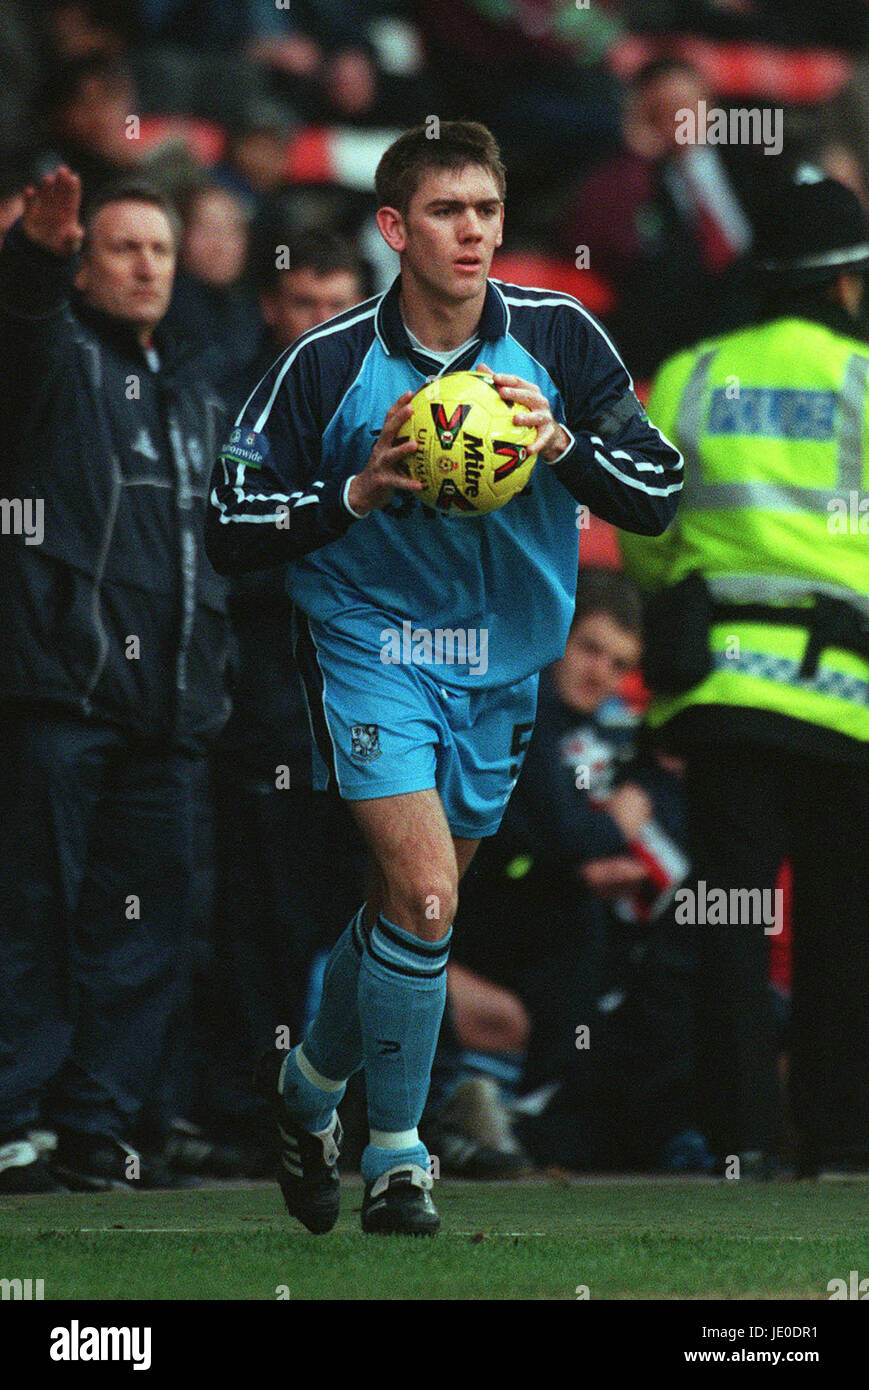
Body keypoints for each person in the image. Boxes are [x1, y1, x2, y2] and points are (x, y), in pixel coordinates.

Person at [206, 120, 683, 1235]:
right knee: (426, 897)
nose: (469, 231)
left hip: (499, 667)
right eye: (443, 211)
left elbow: (655, 492)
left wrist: (560, 446)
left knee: (406, 913)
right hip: (371, 647)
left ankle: (308, 1091)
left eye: (484, 210)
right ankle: (398, 1156)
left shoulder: (560, 339)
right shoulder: (325, 362)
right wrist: (354, 495)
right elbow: (229, 522)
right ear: (392, 230)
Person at [621, 172, 869, 1178]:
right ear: (845, 282)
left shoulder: (689, 372)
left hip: (723, 693)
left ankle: (739, 1141)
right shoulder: (861, 379)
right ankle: (843, 1139)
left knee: (728, 916)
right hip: (845, 699)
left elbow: (643, 529)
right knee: (840, 921)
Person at [0, 168, 230, 1194]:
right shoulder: (51, 359)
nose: (146, 265)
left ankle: (96, 1121)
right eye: (124, 246)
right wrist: (33, 261)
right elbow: (19, 336)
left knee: (146, 930)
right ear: (85, 263)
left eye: (162, 250)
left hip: (168, 714)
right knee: (31, 915)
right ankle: (12, 1118)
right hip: (57, 695)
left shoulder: (192, 396)